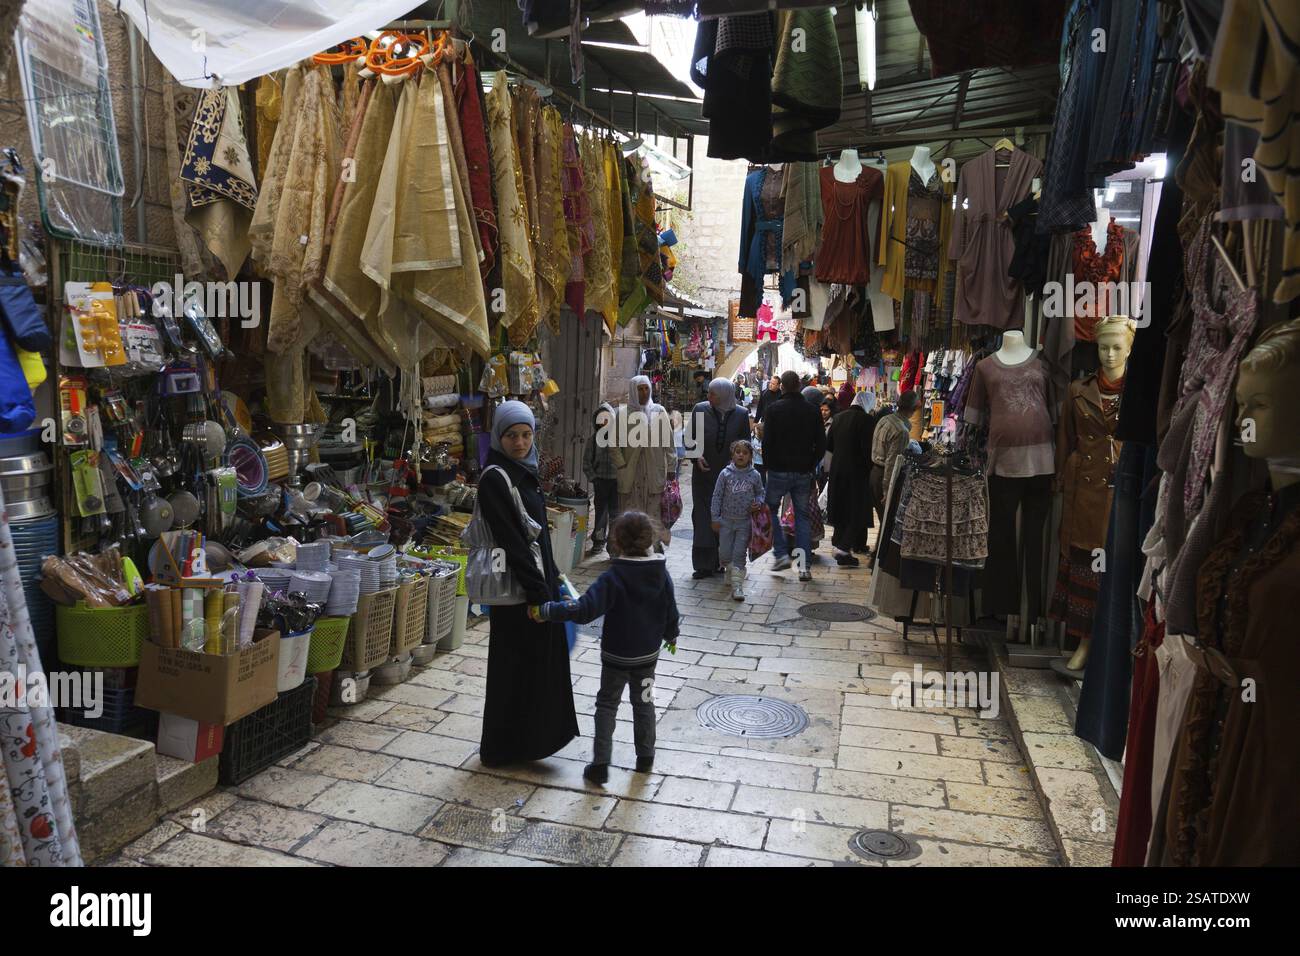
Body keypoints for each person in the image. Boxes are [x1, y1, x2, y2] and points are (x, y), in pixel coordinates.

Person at [532, 511, 680, 784]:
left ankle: (600, 764)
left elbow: (585, 610)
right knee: (645, 703)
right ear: (650, 539)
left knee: (607, 705)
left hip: (616, 656)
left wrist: (550, 610)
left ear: (617, 543)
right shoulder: (661, 574)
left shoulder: (613, 577)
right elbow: (671, 610)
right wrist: (672, 635)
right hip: (648, 656)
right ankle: (646, 758)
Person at [477, 401, 580, 766]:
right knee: (514, 667)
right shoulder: (495, 478)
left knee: (534, 665)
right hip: (520, 592)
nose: (520, 443)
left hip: (538, 583)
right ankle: (505, 747)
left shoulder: (525, 470)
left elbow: (538, 537)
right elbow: (512, 540)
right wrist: (537, 593)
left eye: (525, 435)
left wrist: (554, 577)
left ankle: (528, 742)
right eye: (511, 436)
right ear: (498, 438)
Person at [761, 370, 826, 581]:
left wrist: (769, 466)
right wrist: (810, 465)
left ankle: (781, 553)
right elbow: (821, 444)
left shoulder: (774, 409)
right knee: (802, 518)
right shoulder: (812, 410)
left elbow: (767, 442)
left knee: (770, 509)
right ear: (799, 385)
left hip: (778, 470)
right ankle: (804, 566)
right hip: (802, 472)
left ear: (782, 387)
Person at [689, 378, 752, 578]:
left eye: (713, 394)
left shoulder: (741, 414)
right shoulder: (700, 410)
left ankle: (722, 561)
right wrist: (695, 456)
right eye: (709, 393)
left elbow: (745, 445)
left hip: (730, 479)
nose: (709, 397)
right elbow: (690, 438)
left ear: (724, 394)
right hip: (704, 475)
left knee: (725, 518)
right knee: (702, 516)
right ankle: (703, 564)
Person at [611, 375, 676, 550]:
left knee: (653, 512)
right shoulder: (623, 414)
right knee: (631, 512)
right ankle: (631, 547)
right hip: (631, 472)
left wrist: (671, 466)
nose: (644, 392)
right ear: (633, 391)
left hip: (653, 470)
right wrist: (622, 464)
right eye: (640, 389)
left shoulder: (659, 411)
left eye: (646, 388)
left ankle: (654, 545)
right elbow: (613, 443)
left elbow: (668, 442)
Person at [710, 439, 766, 601]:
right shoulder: (725, 474)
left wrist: (759, 502)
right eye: (738, 452)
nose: (741, 455)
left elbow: (761, 492)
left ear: (750, 456)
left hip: (745, 522)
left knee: (739, 554)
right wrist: (715, 517)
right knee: (725, 553)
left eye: (745, 453)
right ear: (733, 454)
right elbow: (717, 496)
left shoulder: (755, 475)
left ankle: (738, 587)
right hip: (726, 521)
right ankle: (730, 570)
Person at [826, 390, 876, 565]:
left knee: (841, 506)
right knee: (857, 509)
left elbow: (829, 444)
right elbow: (868, 451)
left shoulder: (838, 417)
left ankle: (847, 544)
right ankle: (843, 549)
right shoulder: (867, 421)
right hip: (858, 472)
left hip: (838, 469)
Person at [871, 390, 920, 523]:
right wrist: (888, 491)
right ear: (914, 409)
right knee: (889, 523)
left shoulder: (885, 420)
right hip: (884, 477)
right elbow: (892, 464)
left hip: (875, 473)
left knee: (884, 521)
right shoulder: (901, 431)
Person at [582, 402, 618, 555]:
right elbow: (586, 463)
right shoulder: (593, 440)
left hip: (616, 482)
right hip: (600, 482)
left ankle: (614, 545)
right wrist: (594, 478)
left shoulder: (619, 439)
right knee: (600, 513)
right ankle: (598, 541)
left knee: (616, 514)